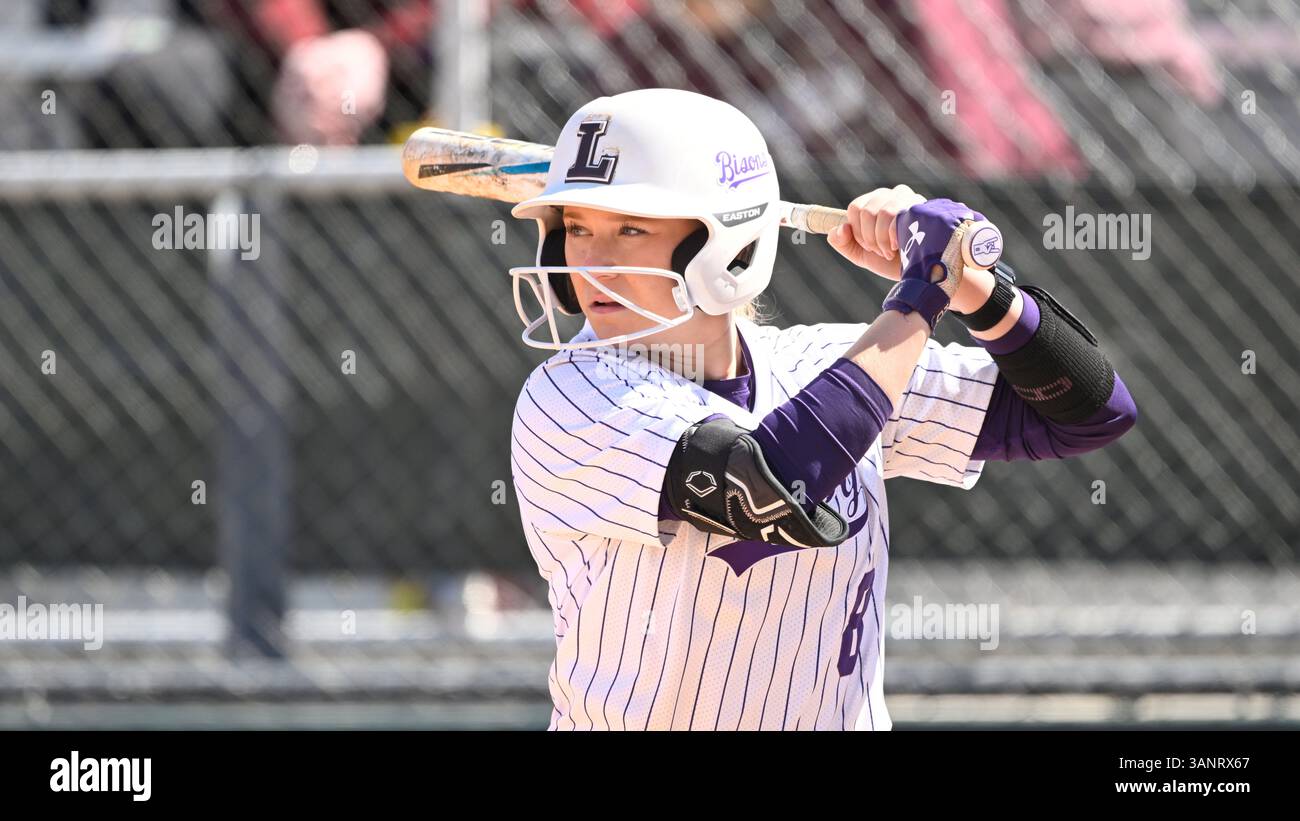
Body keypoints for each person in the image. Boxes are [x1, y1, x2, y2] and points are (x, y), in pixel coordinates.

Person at [507, 87, 1136, 730]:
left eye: (631, 229)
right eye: (578, 229)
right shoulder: (568, 399)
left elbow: (1091, 411)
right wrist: (921, 294)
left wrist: (973, 284)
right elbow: (769, 483)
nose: (591, 262)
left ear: (728, 246)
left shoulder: (831, 366)